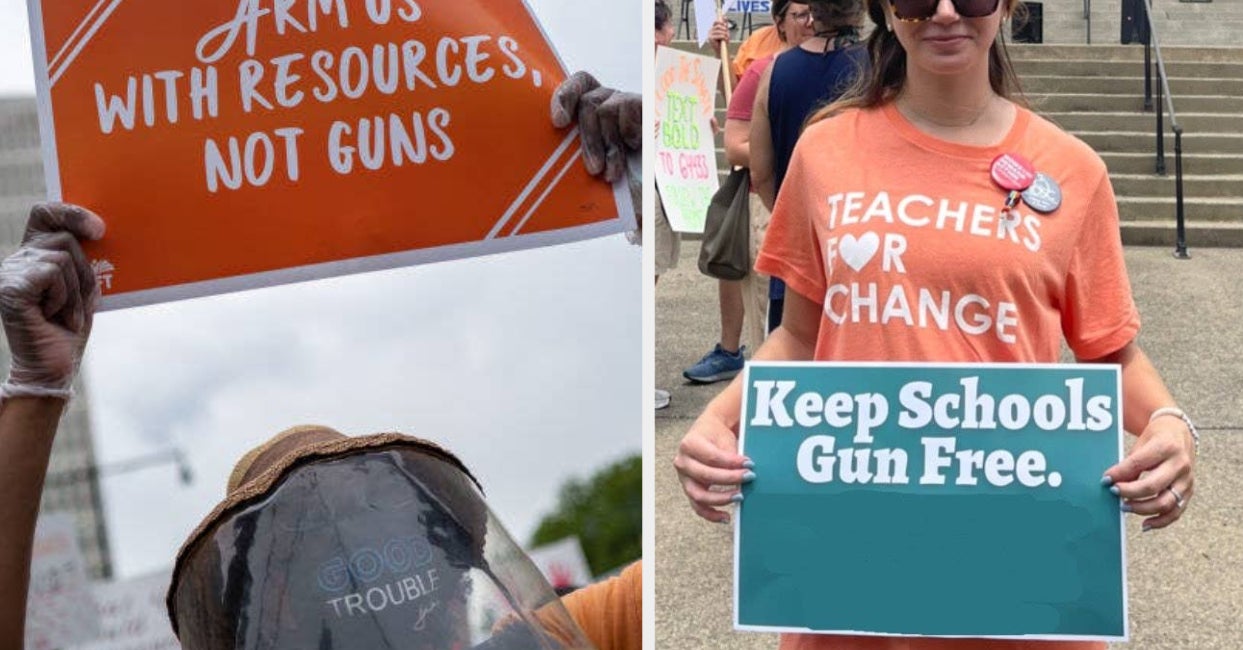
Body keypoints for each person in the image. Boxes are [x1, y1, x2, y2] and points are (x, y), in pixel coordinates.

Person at [674, 0, 1197, 649]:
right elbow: (801, 336)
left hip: (1013, 557)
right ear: (885, 11)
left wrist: (1170, 425)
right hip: (849, 548)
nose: (945, 12)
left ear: (1005, 6)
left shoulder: (1071, 170)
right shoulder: (826, 149)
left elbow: (1109, 352)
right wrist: (716, 421)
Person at [0, 206, 642, 650]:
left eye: (395, 535)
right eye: (314, 565)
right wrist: (34, 390)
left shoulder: (539, 641)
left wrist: (634, 183)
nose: (366, 581)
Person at [683, 1, 818, 385]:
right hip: (767, 198)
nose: (810, 23)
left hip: (823, 206)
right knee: (762, 298)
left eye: (815, 13)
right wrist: (787, 152)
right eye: (799, 15)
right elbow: (738, 134)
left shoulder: (841, 62)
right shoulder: (762, 62)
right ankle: (746, 365)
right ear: (780, 21)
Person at [750, 0, 868, 334]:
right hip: (867, 253)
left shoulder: (775, 70)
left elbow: (761, 171)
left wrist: (793, 217)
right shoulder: (882, 66)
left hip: (798, 253)